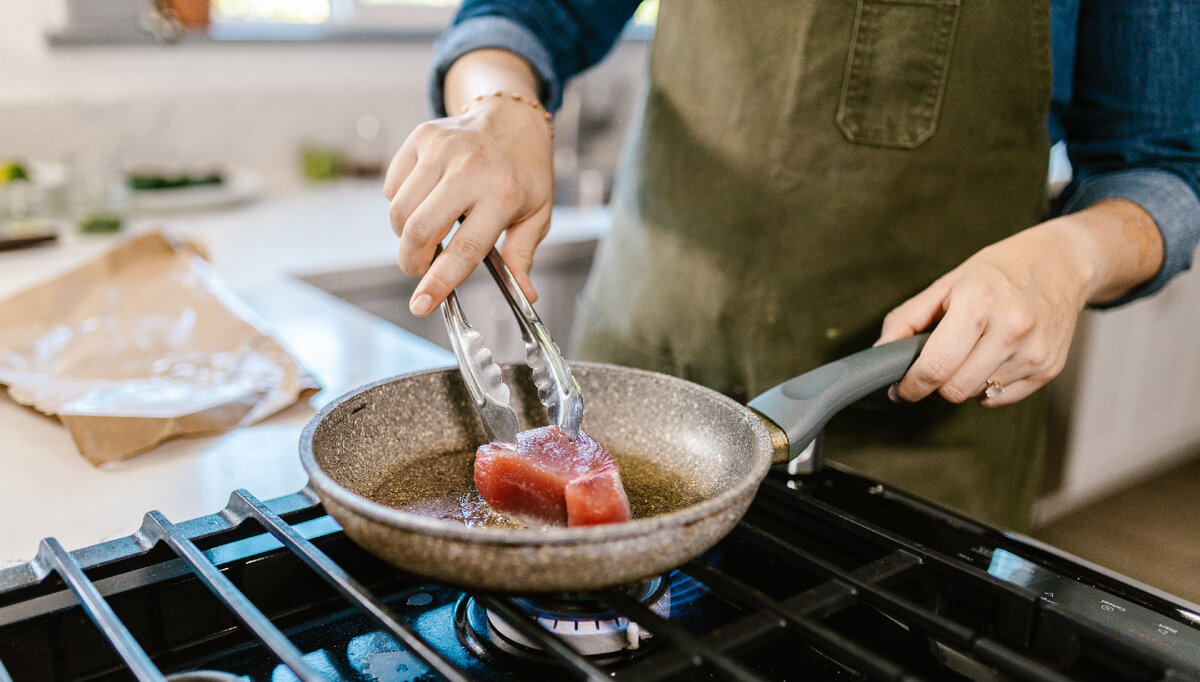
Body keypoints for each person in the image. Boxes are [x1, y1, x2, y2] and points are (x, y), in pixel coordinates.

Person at [383, 0, 1200, 530]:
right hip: (642, 387)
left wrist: (1072, 255)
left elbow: (1165, 167)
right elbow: (524, 16)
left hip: (918, 446)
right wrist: (498, 105)